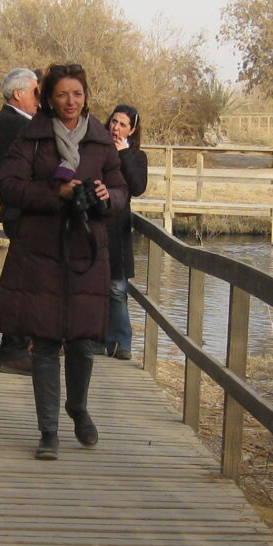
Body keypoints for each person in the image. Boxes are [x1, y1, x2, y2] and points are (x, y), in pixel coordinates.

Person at [0, 63, 127, 459]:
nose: (71, 102)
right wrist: (57, 194)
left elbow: (122, 190)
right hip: (41, 253)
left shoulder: (100, 141)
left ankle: (78, 407)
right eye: (63, 94)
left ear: (86, 97)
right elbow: (8, 186)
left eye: (78, 94)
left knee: (83, 343)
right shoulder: (30, 138)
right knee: (46, 343)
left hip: (87, 252)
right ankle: (48, 431)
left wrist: (105, 196)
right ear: (49, 98)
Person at [0, 67, 40, 374]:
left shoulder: (16, 122)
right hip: (21, 213)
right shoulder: (14, 125)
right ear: (18, 94)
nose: (39, 98)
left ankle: (23, 344)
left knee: (27, 282)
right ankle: (14, 350)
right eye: (35, 91)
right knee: (22, 283)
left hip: (22, 212)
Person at [102, 104, 148, 359]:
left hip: (118, 227)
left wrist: (125, 154)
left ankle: (122, 343)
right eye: (113, 122)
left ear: (132, 130)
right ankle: (97, 339)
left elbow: (138, 187)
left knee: (117, 288)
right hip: (95, 222)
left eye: (122, 125)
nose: (115, 128)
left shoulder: (137, 156)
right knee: (95, 284)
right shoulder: (97, 147)